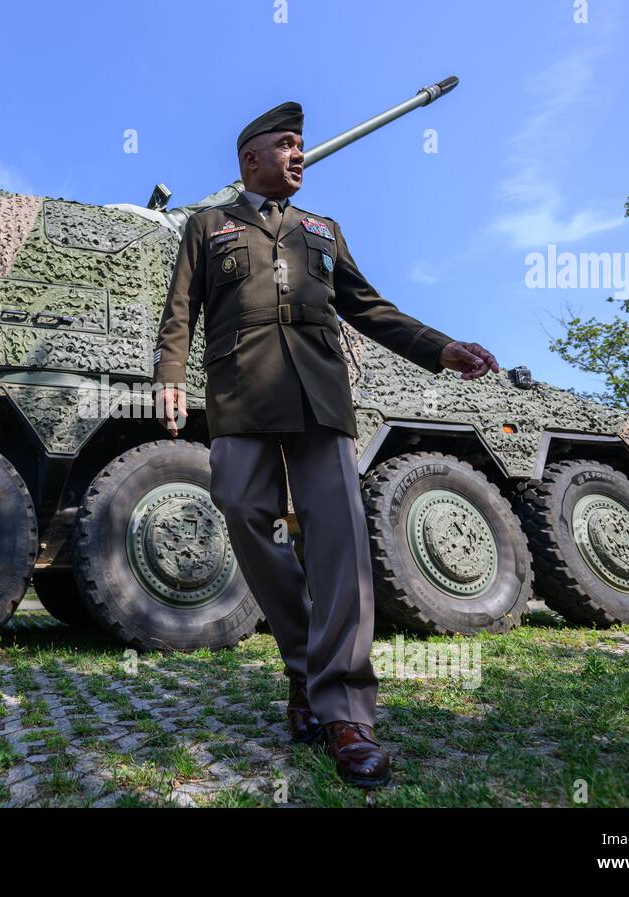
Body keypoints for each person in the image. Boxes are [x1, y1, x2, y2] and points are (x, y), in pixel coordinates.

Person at [153, 101, 498, 788]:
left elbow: (371, 308)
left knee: (338, 541)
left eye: (302, 145)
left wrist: (442, 347)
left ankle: (345, 711)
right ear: (250, 158)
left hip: (319, 396)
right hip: (242, 393)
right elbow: (179, 311)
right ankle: (306, 664)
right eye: (286, 144)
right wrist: (168, 377)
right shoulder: (208, 225)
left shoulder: (323, 230)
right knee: (242, 510)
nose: (299, 154)